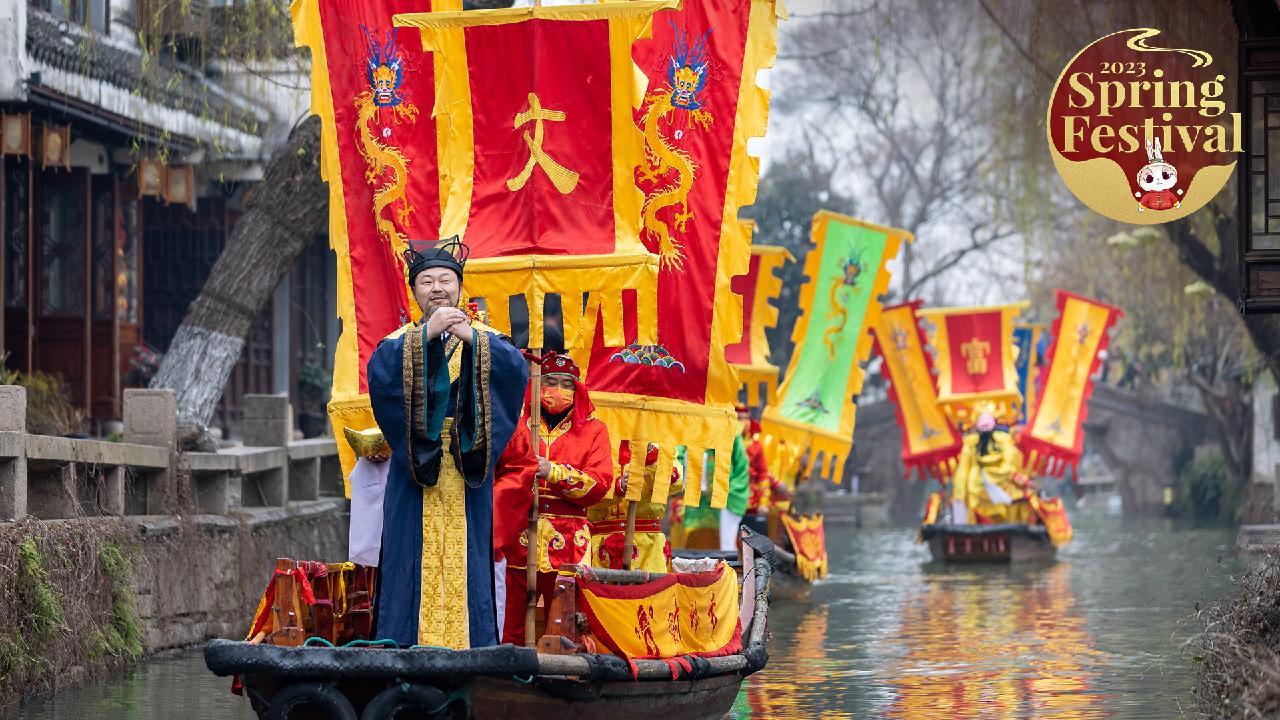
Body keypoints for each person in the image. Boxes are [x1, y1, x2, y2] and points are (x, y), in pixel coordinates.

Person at [366, 238, 528, 649]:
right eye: (426, 282)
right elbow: (382, 381)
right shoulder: (398, 342)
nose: (437, 288)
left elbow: (513, 371)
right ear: (414, 291)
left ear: (460, 288)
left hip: (466, 462)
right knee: (407, 554)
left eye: (445, 281)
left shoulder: (485, 337)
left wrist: (472, 339)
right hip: (415, 467)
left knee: (470, 556)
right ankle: (401, 645)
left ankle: (471, 647)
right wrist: (425, 339)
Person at [492, 351, 614, 646]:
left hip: (569, 543)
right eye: (549, 382)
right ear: (536, 385)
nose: (557, 391)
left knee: (568, 623)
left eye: (565, 384)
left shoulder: (594, 430)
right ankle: (511, 677)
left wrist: (553, 471)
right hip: (519, 535)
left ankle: (567, 677)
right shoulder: (517, 425)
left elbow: (599, 485)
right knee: (511, 624)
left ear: (577, 389)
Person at [588, 443, 685, 572]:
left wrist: (650, 454)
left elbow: (674, 483)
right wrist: (618, 487)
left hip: (648, 547)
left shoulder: (659, 444)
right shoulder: (597, 440)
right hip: (600, 546)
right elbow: (583, 488)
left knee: (650, 591)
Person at [949, 412, 1032, 524]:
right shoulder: (970, 443)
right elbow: (962, 472)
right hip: (976, 489)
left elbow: (1011, 462)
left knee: (1018, 498)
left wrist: (997, 474)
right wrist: (959, 495)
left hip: (1002, 486)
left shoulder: (1003, 439)